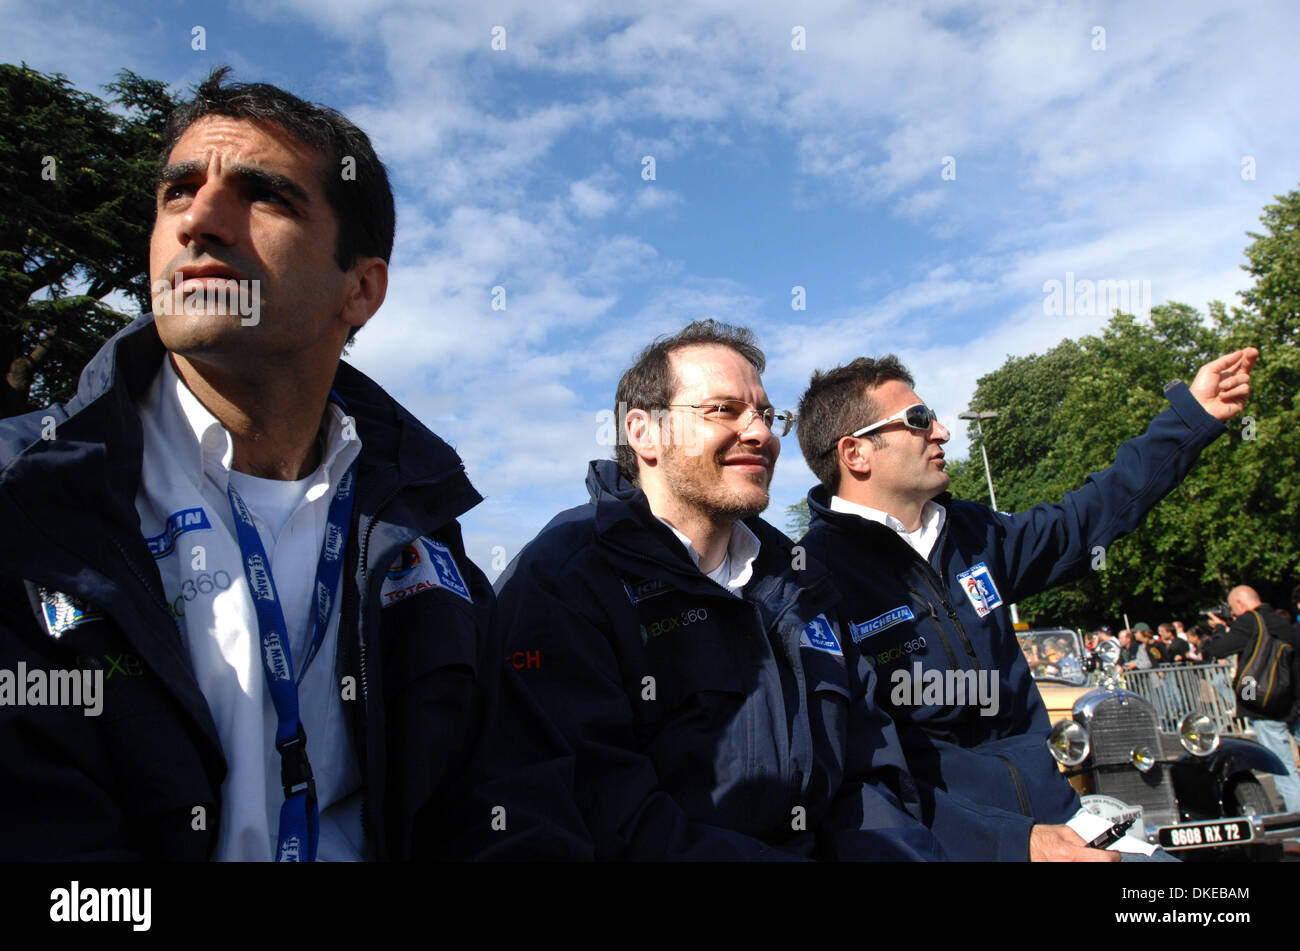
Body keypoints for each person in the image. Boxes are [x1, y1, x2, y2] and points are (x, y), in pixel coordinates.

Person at [0, 68, 587, 861]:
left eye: (263, 195)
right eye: (176, 193)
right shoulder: (26, 498)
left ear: (361, 288)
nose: (199, 221)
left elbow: (507, 802)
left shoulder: (423, 538)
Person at [494, 321, 944, 860]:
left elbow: (870, 774)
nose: (760, 434)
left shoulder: (804, 588)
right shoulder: (564, 582)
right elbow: (598, 816)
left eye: (766, 415)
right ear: (644, 433)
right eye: (723, 411)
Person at [795, 347, 1256, 861]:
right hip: (945, 846)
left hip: (1061, 819)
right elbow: (855, 776)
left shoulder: (975, 533)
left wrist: (1190, 418)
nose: (942, 431)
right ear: (855, 453)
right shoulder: (809, 581)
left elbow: (1087, 519)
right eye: (920, 420)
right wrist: (1011, 843)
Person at [1204, 585, 1300, 812]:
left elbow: (1218, 649)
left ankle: (1297, 829)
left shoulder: (1249, 622)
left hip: (1264, 704)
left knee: (1284, 767)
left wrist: (1219, 628)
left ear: (1239, 604)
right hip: (1292, 699)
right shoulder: (1281, 621)